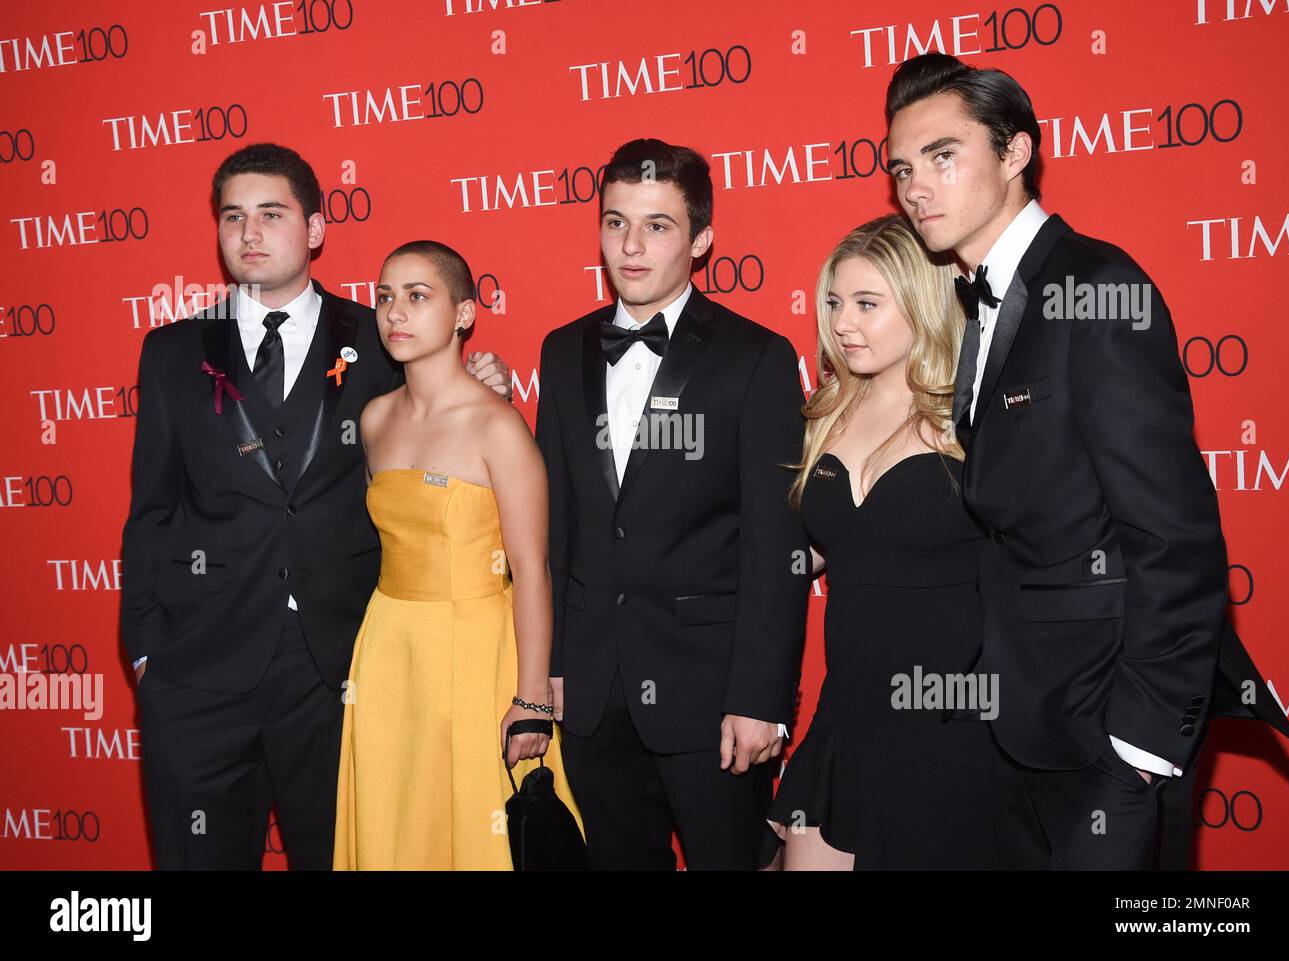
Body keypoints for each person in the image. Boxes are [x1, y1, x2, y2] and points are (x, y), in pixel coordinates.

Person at [883, 53, 1289, 869]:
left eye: (942, 155)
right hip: (1023, 723)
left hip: (1109, 730)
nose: (915, 187)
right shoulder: (986, 302)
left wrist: (1142, 744)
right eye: (900, 167)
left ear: (1015, 153)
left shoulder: (1097, 290)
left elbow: (1175, 537)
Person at [120, 143, 511, 870]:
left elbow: (451, 424)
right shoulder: (173, 351)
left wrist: (489, 377)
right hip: (197, 670)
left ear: (317, 227)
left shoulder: (381, 334)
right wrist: (146, 652)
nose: (250, 233)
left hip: (340, 669)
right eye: (233, 217)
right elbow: (152, 510)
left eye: (271, 214)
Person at [535, 138, 810, 869]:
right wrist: (552, 665)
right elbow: (557, 525)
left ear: (702, 238)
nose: (630, 245)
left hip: (712, 694)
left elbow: (774, 544)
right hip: (592, 691)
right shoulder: (562, 352)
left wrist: (762, 698)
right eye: (615, 221)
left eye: (657, 225)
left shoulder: (757, 357)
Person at [332, 241, 581, 869]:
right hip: (389, 650)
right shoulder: (374, 419)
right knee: (399, 824)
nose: (396, 313)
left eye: (418, 297)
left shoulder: (497, 425)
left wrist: (531, 700)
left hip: (478, 650)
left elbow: (532, 572)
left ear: (465, 313)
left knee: (476, 829)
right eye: (385, 297)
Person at [763, 216, 997, 870]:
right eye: (835, 303)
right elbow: (809, 550)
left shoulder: (972, 419)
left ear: (922, 305)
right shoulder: (824, 413)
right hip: (849, 711)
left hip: (956, 720)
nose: (843, 323)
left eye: (867, 304)